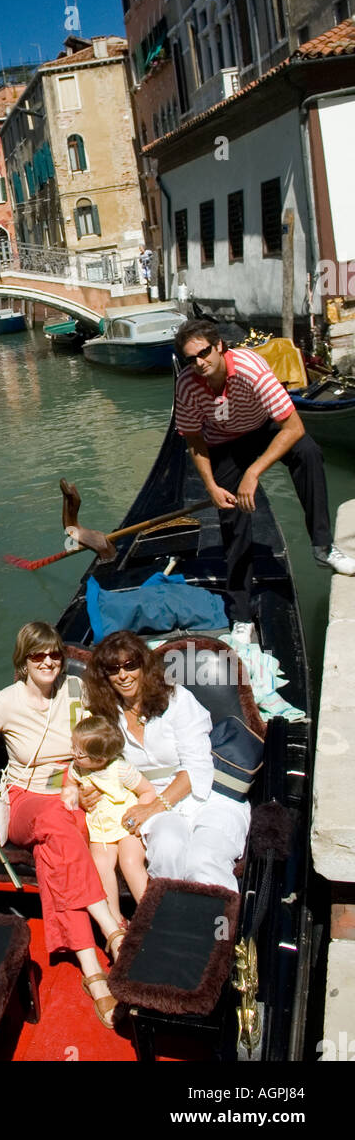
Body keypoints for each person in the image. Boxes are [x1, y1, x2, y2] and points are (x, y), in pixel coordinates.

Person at [0, 622, 127, 1029]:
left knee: (55, 851)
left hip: (71, 794)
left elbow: (105, 735)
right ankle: (112, 929)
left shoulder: (76, 689)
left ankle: (93, 973)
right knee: (55, 824)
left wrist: (92, 784)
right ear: (24, 660)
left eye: (54, 654)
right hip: (25, 801)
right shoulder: (5, 702)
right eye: (38, 655)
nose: (48, 661)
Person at [174, 318, 355, 638]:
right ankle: (242, 615)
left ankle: (323, 547)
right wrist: (212, 487)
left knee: (308, 452)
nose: (199, 363)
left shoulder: (250, 368)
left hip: (262, 426)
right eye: (191, 359)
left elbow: (294, 427)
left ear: (218, 346)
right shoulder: (187, 384)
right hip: (223, 443)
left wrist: (253, 472)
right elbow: (194, 440)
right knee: (232, 518)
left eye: (203, 353)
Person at [83, 632, 250, 892]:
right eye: (113, 669)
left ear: (144, 665)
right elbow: (98, 763)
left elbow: (196, 766)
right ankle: (170, 912)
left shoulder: (177, 700)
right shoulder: (105, 715)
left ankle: (221, 916)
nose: (123, 675)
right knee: (167, 849)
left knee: (203, 859)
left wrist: (154, 807)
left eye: (130, 665)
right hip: (152, 802)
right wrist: (86, 793)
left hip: (206, 796)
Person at [65, 715, 157, 928]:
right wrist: (75, 798)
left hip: (126, 826)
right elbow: (68, 789)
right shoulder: (76, 768)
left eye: (79, 752)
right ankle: (116, 920)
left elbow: (147, 790)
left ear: (99, 760)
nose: (73, 753)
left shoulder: (120, 769)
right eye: (73, 746)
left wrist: (138, 813)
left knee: (130, 862)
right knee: (101, 866)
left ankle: (151, 915)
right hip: (101, 829)